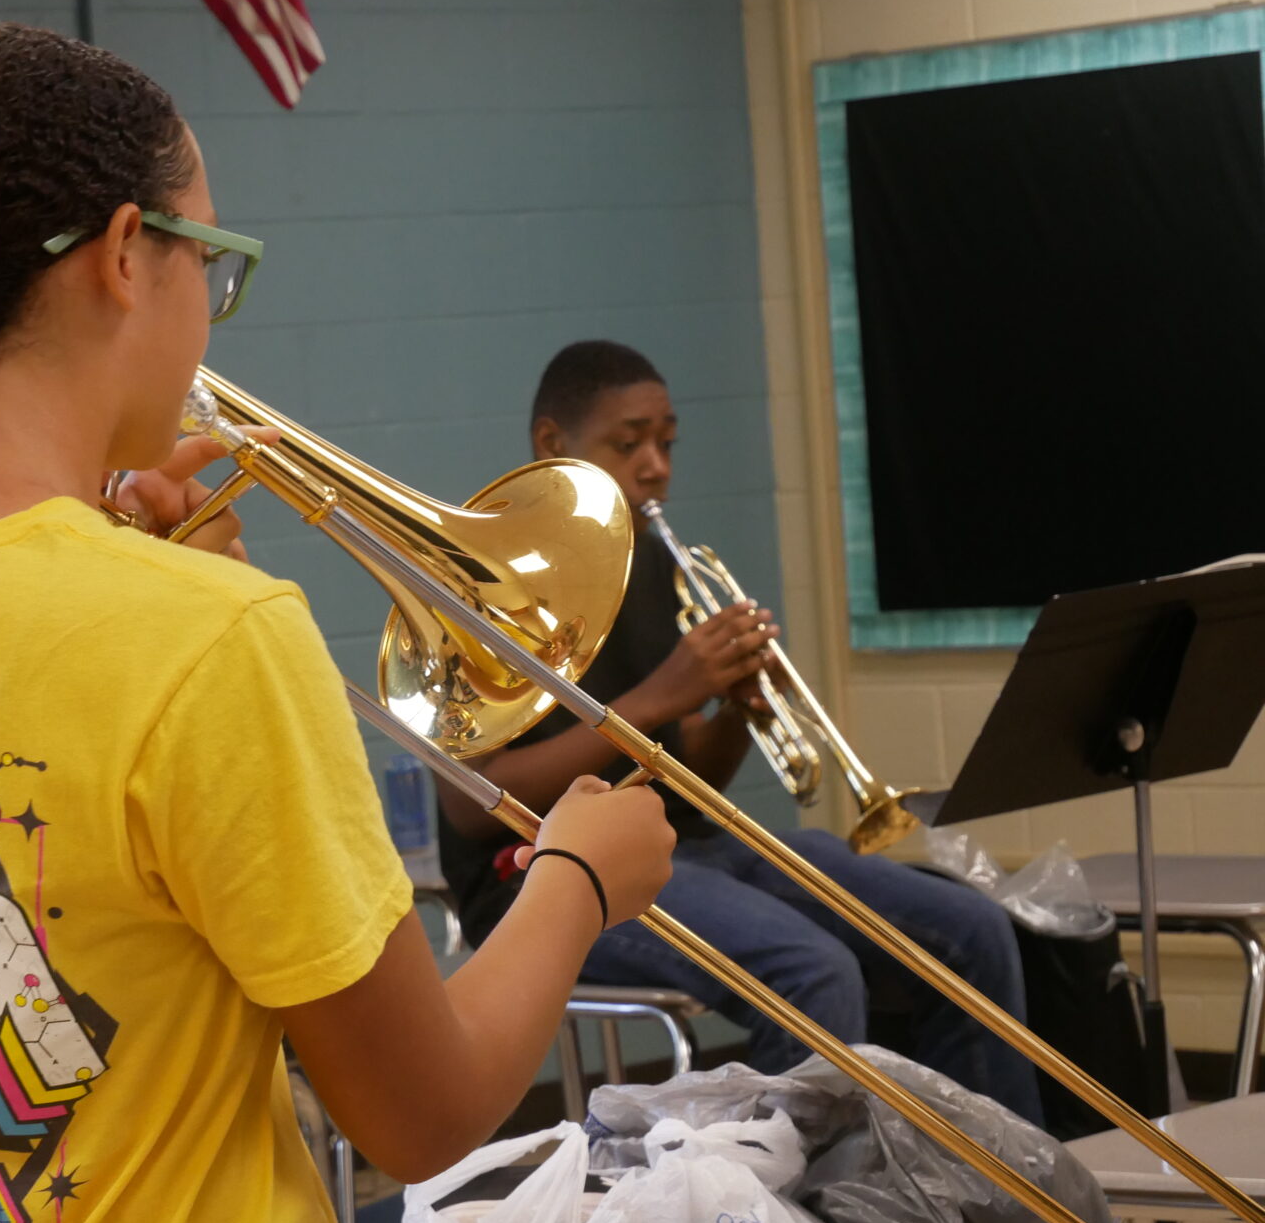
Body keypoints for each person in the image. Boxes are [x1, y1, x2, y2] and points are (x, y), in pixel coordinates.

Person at [0, 23, 676, 1223]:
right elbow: (426, 1110)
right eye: (212, 262)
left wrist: (122, 585)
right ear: (121, 254)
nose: (213, 305)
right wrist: (579, 875)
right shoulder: (215, 639)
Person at [436, 340, 1044, 1125]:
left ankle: (997, 1203)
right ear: (552, 445)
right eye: (629, 444)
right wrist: (659, 698)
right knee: (814, 972)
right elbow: (467, 803)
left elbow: (691, 781)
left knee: (972, 929)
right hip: (540, 872)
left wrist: (733, 711)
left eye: (666, 442)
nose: (656, 465)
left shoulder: (650, 560)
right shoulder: (485, 578)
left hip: (681, 845)